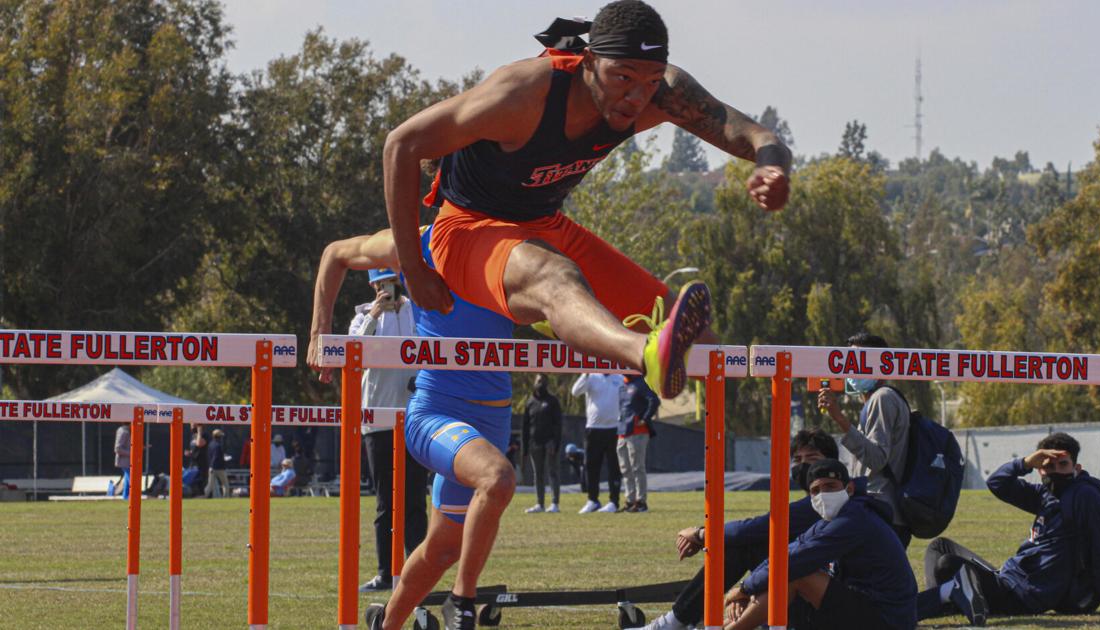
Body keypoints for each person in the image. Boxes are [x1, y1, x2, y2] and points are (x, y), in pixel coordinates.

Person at [381, 0, 791, 405]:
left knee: (699, 343)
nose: (635, 97)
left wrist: (773, 168)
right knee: (555, 275)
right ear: (589, 61)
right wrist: (413, 269)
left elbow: (758, 136)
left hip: (545, 226)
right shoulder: (522, 94)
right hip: (468, 228)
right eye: (622, 78)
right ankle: (640, 352)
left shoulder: (664, 94)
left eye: (648, 81)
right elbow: (401, 143)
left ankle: (578, 321)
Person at [308, 223, 517, 630]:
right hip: (434, 413)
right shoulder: (415, 242)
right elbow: (335, 251)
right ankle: (462, 602)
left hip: (494, 419)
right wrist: (319, 333)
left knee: (441, 549)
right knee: (498, 479)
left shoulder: (511, 239)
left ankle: (386, 624)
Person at [634, 429, 842, 630]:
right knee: (758, 547)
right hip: (819, 596)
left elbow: (752, 530)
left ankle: (677, 621)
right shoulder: (817, 503)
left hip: (831, 605)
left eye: (812, 458)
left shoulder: (822, 505)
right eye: (798, 460)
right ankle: (686, 621)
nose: (803, 465)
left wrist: (700, 534)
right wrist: (748, 589)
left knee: (746, 546)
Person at [916, 432, 1100, 626]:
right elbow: (996, 483)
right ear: (1039, 470)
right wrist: (1025, 463)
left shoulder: (1084, 495)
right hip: (1007, 579)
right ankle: (948, 601)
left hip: (1022, 593)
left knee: (947, 563)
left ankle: (945, 600)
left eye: (1063, 465)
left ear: (1076, 468)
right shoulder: (1045, 495)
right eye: (1049, 466)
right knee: (940, 546)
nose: (1056, 471)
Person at [724, 459, 917, 630]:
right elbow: (788, 552)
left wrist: (744, 589)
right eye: (816, 490)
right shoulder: (829, 522)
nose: (823, 495)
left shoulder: (854, 520)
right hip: (867, 606)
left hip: (887, 618)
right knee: (785, 571)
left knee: (798, 575)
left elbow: (793, 562)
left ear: (849, 489)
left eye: (830, 486)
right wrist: (747, 589)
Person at [350, 267, 430, 592]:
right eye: (383, 283)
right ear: (373, 285)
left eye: (394, 281)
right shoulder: (361, 318)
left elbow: (433, 348)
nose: (390, 288)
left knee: (415, 500)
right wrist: (374, 314)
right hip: (378, 420)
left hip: (414, 417)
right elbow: (353, 352)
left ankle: (419, 571)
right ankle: (386, 572)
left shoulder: (418, 311)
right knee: (385, 502)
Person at [817, 332, 912, 547]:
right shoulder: (875, 400)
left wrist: (838, 417)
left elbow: (877, 459)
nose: (851, 369)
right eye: (849, 361)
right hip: (879, 508)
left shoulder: (883, 398)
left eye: (858, 361)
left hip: (883, 509)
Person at [572, 371, 624, 513]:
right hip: (593, 429)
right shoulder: (591, 376)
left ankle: (614, 502)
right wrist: (585, 374)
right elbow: (575, 392)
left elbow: (625, 401)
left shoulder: (619, 378)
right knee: (591, 466)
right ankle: (592, 500)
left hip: (614, 429)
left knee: (614, 467)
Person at [522, 374, 564, 513]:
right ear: (534, 382)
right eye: (539, 381)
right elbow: (525, 426)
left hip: (550, 444)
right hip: (535, 443)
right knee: (538, 474)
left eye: (544, 381)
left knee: (553, 472)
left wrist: (556, 443)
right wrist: (525, 448)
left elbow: (558, 424)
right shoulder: (530, 402)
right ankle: (540, 504)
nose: (541, 383)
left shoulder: (553, 401)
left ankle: (555, 504)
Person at [616, 375, 658, 512]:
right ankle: (630, 500)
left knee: (637, 467)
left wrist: (645, 419)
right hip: (622, 431)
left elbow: (654, 400)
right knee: (625, 468)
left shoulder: (640, 383)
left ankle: (641, 502)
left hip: (637, 431)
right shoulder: (622, 385)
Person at [204, 429, 230, 498]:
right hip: (219, 468)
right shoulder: (218, 445)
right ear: (218, 436)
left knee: (210, 485)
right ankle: (226, 497)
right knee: (225, 484)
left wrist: (211, 466)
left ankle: (204, 495)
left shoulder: (210, 444)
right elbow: (216, 457)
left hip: (211, 468)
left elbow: (210, 456)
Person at [187, 424, 209, 497]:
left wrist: (199, 432)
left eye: (193, 424)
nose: (191, 425)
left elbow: (199, 444)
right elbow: (195, 448)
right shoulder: (193, 436)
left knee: (200, 483)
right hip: (193, 463)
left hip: (201, 464)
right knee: (192, 482)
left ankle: (201, 495)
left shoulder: (204, 435)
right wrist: (190, 453)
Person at [113, 423, 132, 500]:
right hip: (124, 460)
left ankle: (126, 496)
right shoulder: (123, 431)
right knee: (130, 478)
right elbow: (117, 448)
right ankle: (128, 495)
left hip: (128, 460)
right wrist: (131, 453)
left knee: (128, 478)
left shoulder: (127, 431)